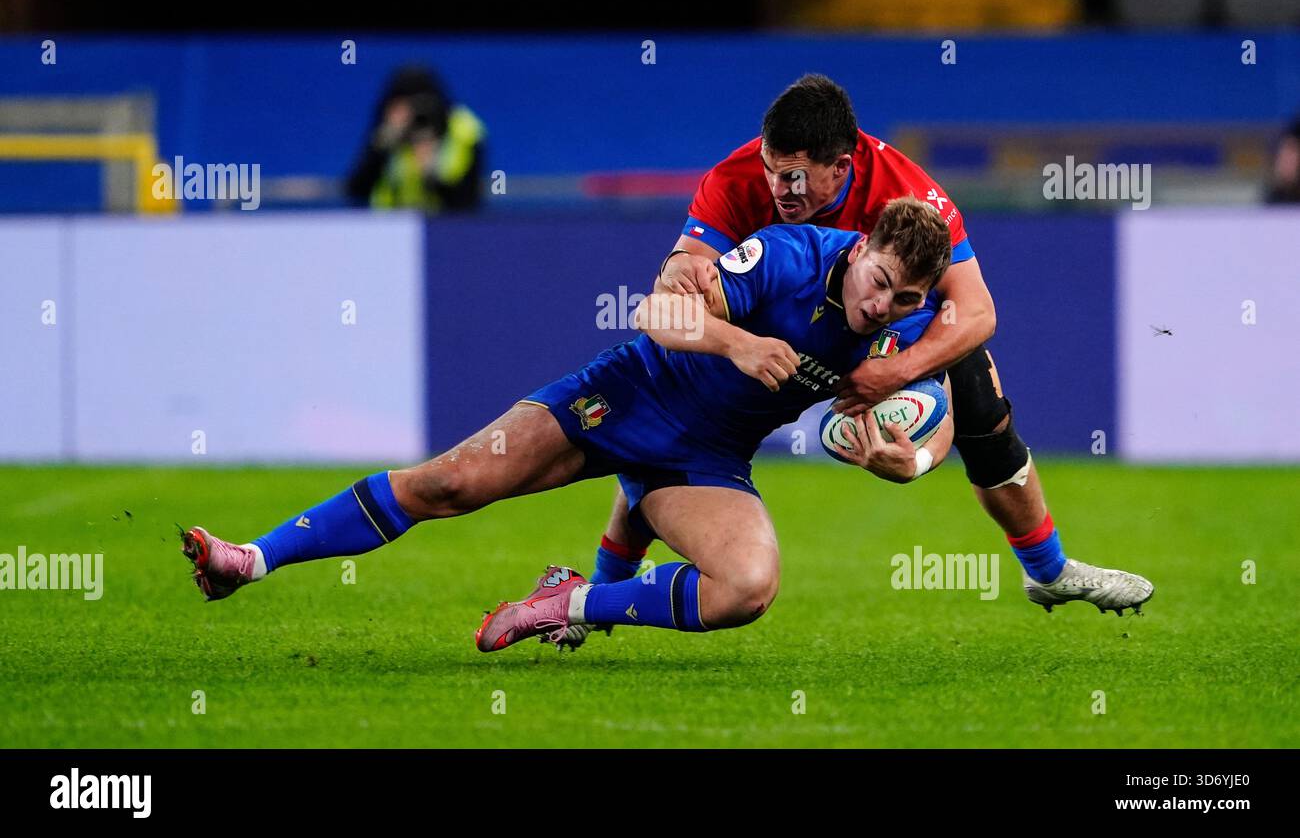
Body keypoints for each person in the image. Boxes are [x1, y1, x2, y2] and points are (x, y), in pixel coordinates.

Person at [180, 199, 969, 649]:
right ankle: (250, 559)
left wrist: (914, 464)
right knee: (449, 482)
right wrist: (739, 342)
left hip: (702, 460)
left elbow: (947, 407)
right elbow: (657, 312)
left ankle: (569, 600)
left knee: (749, 588)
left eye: (904, 299)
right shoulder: (789, 258)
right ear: (861, 248)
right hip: (626, 396)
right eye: (877, 283)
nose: (881, 307)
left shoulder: (905, 329)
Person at [568, 74, 1154, 649]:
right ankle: (603, 585)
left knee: (976, 385)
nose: (780, 188)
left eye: (796, 176)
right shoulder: (740, 177)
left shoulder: (905, 194)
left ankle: (1047, 571)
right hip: (766, 323)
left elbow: (975, 311)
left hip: (872, 338)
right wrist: (680, 270)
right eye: (773, 170)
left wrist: (896, 375)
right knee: (680, 408)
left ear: (842, 167)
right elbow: (676, 287)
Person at [345, 64, 486, 212]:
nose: (417, 117)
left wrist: (431, 172)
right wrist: (381, 148)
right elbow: (356, 191)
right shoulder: (387, 129)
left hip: (446, 227)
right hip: (390, 226)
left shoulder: (464, 131)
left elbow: (469, 203)